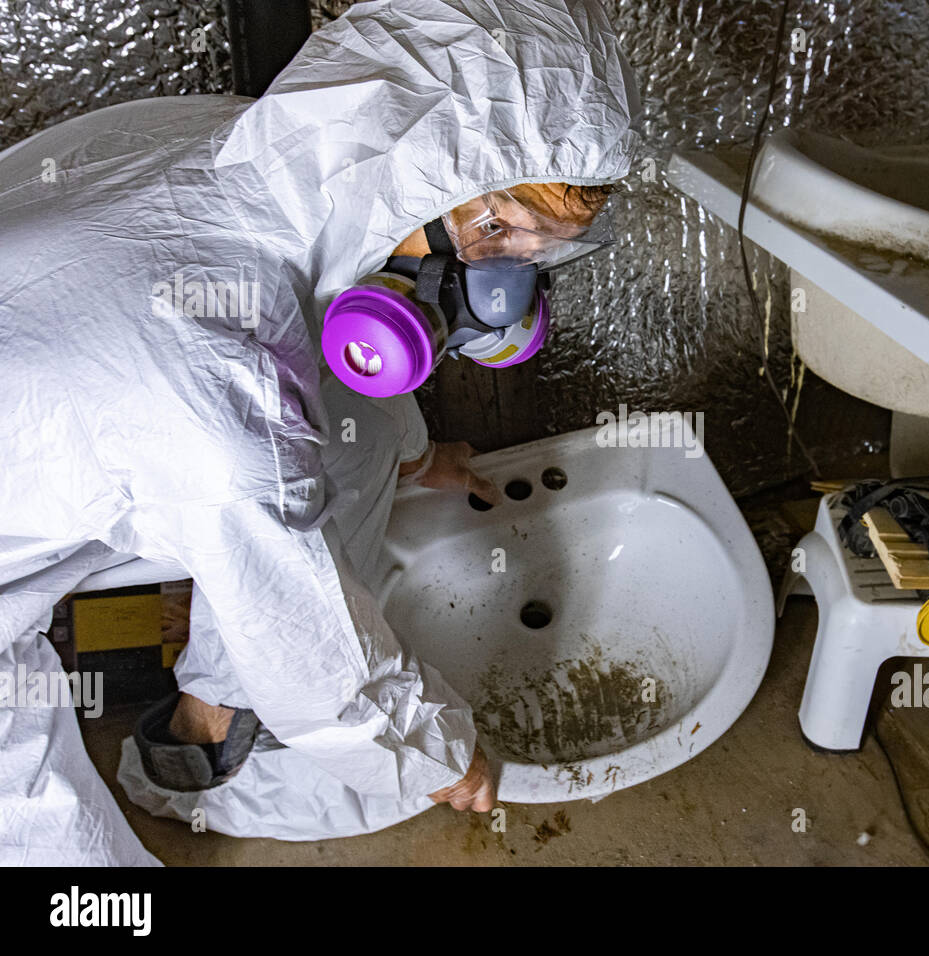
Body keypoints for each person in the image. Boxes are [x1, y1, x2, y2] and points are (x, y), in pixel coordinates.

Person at [0, 0, 639, 865]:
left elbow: (325, 348)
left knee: (348, 435)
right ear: (417, 176)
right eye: (498, 236)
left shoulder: (260, 152)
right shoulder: (212, 411)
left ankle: (214, 707)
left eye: (536, 254)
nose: (505, 293)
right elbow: (315, 665)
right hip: (94, 433)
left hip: (59, 403)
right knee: (66, 857)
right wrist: (442, 757)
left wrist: (413, 456)